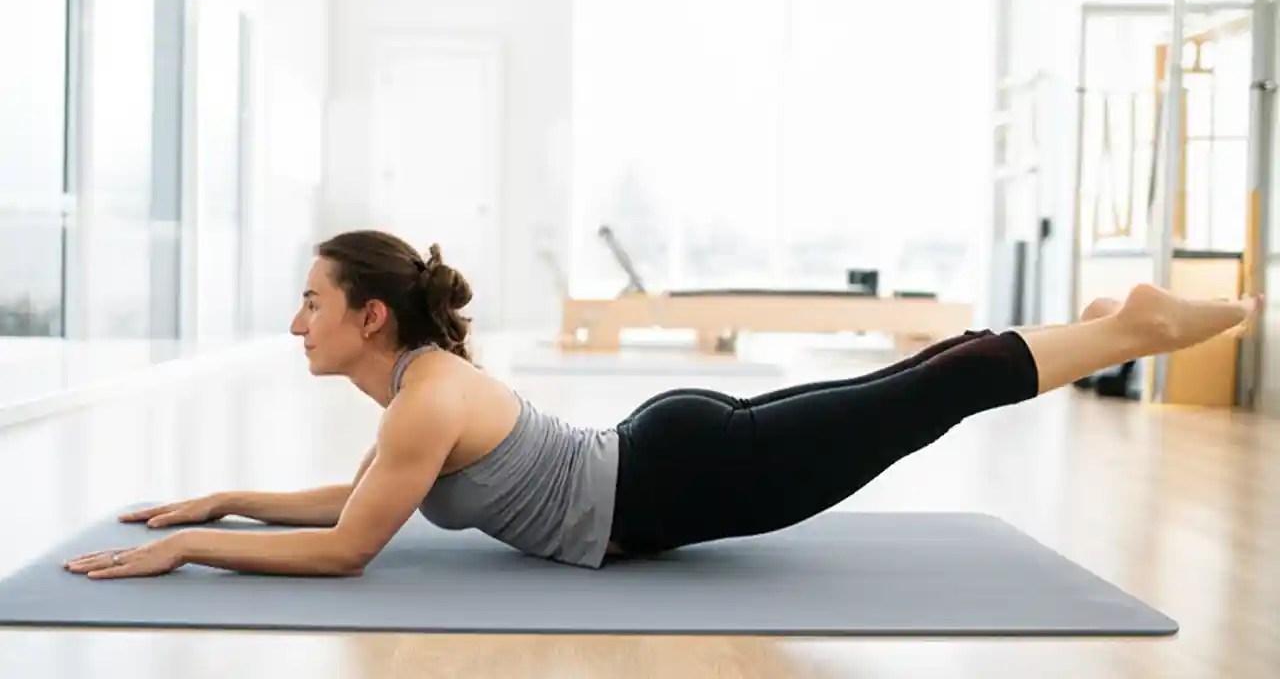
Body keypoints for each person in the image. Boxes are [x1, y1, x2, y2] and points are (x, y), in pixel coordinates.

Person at [64, 230, 1263, 579]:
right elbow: (370, 499)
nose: (297, 321)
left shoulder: (423, 399)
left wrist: (195, 552)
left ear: (371, 316)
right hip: (667, 461)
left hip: (683, 478)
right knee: (914, 382)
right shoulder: (415, 404)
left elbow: (352, 546)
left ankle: (1131, 327)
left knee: (928, 389)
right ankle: (1121, 322)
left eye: (311, 301)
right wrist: (226, 499)